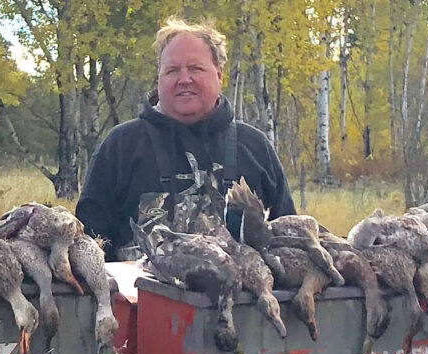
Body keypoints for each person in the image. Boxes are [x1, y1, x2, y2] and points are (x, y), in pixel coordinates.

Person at [74, 19, 295, 258]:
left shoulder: (254, 146)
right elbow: (87, 244)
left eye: (195, 68)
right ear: (159, 79)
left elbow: (288, 242)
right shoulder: (121, 144)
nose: (184, 79)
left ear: (219, 75)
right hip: (142, 295)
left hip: (245, 294)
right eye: (172, 70)